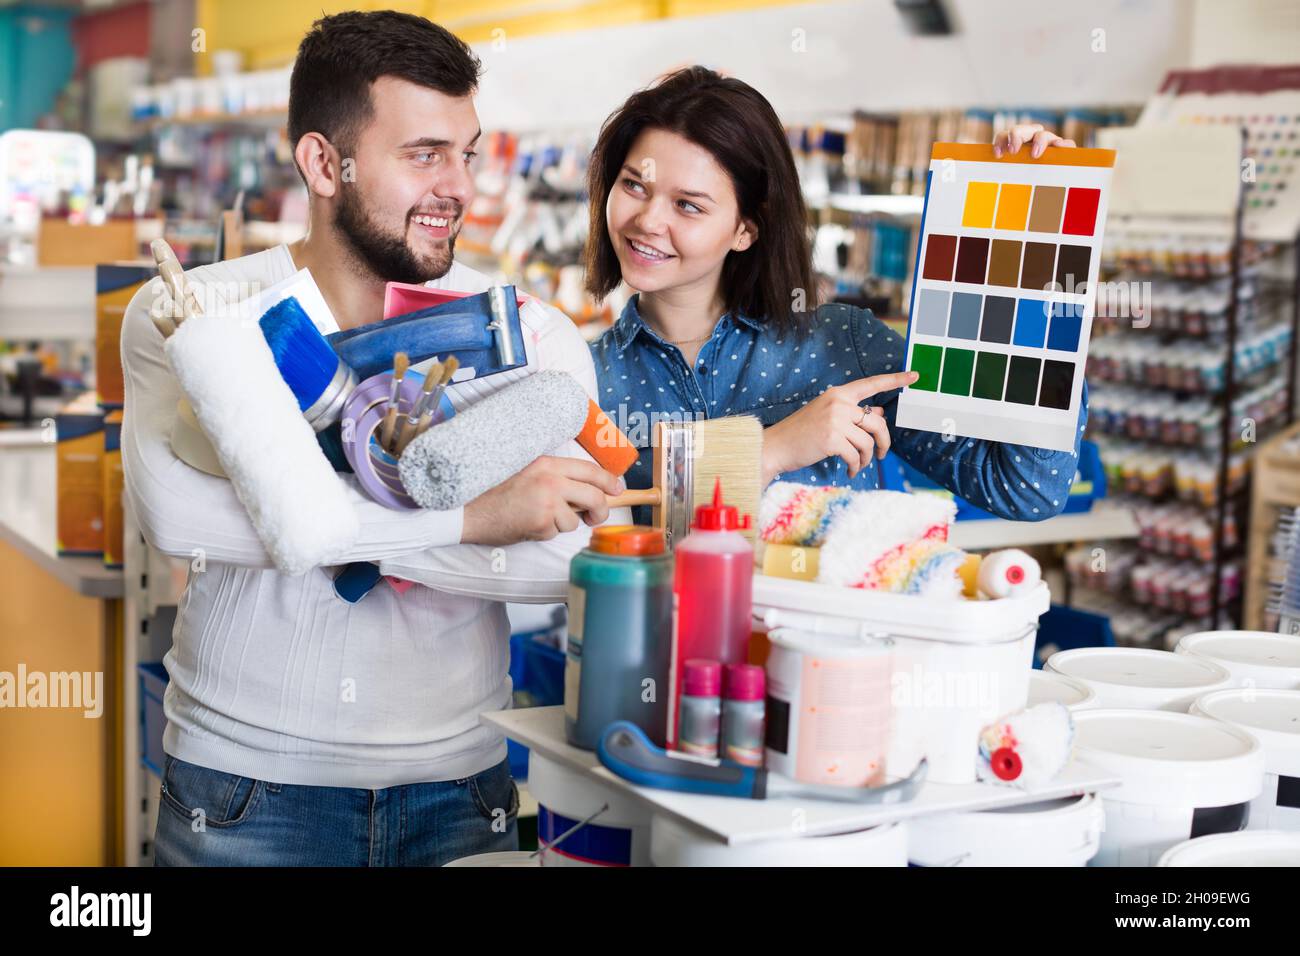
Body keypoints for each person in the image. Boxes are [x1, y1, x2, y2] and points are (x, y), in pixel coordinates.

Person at [121, 10, 624, 866]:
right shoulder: (198, 317)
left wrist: (292, 513)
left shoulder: (525, 335)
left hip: (461, 787)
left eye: (466, 152)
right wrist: (469, 517)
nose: (459, 186)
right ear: (324, 162)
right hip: (243, 792)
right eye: (423, 154)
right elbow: (181, 524)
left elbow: (557, 564)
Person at [588, 66, 1086, 519]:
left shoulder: (843, 346)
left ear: (746, 229)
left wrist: (1039, 254)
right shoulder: (584, 376)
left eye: (688, 205)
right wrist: (775, 448)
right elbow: (595, 539)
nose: (649, 221)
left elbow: (1026, 488)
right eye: (635, 185)